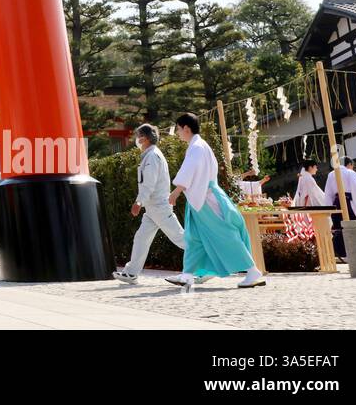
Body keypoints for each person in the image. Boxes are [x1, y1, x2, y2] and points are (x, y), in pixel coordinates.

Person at [166, 113, 266, 288]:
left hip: (205, 198)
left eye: (179, 129)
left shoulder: (197, 147)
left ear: (186, 129)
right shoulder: (199, 145)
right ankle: (188, 274)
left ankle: (252, 271)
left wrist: (176, 191)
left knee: (224, 234)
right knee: (194, 238)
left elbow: (189, 171)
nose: (178, 133)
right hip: (203, 195)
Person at [114, 124, 186, 283]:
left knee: (180, 238)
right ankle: (131, 272)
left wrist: (138, 202)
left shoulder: (152, 156)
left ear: (144, 138)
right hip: (154, 208)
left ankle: (207, 263)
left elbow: (149, 183)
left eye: (138, 136)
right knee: (141, 238)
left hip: (159, 207)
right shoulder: (150, 155)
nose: (136, 139)